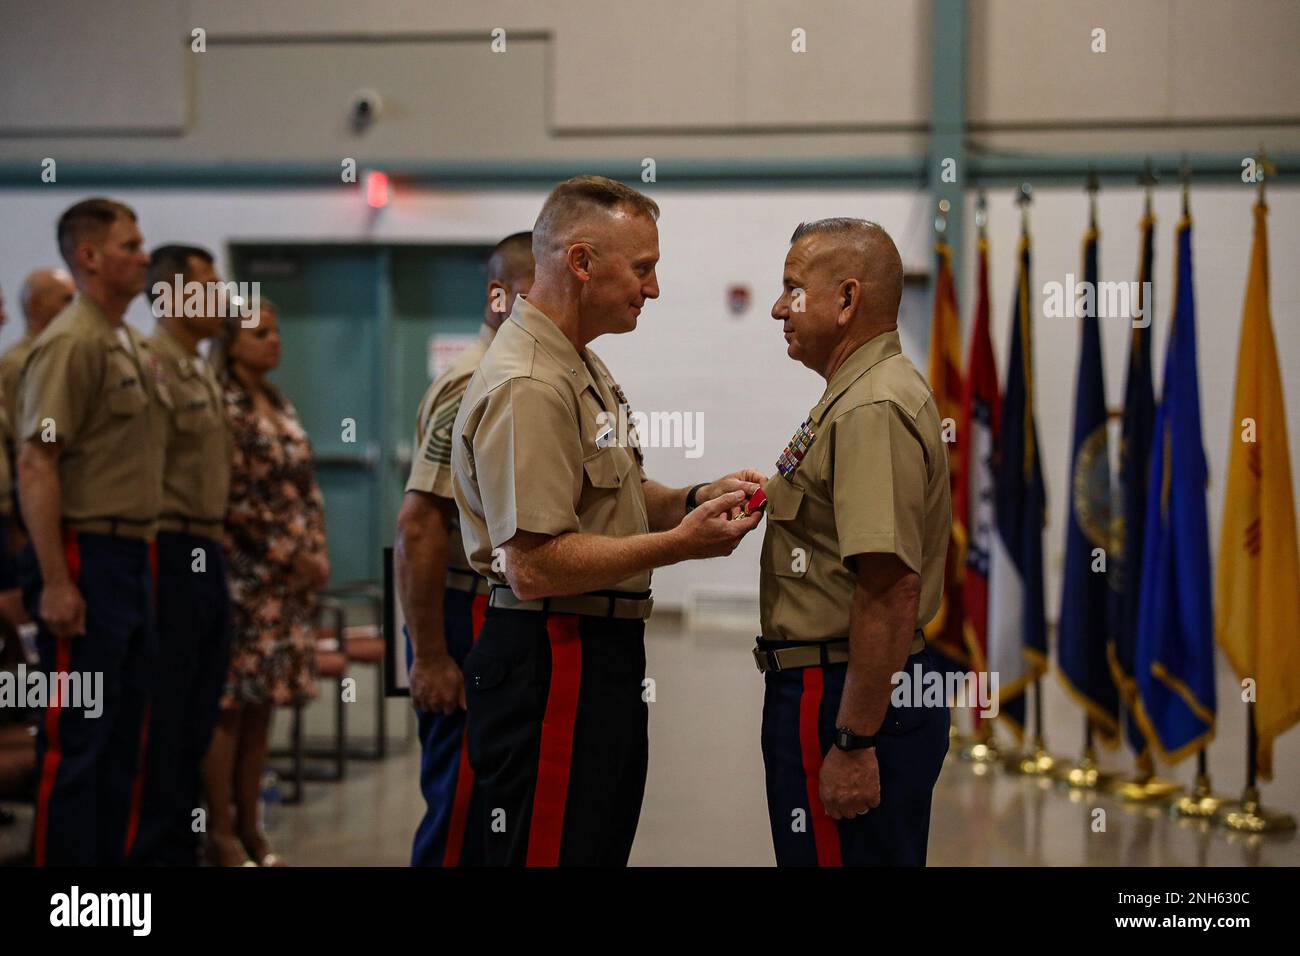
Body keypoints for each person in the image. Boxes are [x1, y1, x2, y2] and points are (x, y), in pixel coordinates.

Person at [452, 175, 763, 866]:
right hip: (553, 652)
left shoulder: (575, 363)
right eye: (644, 269)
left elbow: (610, 495)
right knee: (550, 849)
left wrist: (692, 498)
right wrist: (681, 546)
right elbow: (533, 565)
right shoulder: (530, 382)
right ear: (582, 262)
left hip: (593, 649)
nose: (652, 289)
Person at [756, 218, 951, 866]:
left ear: (845, 299)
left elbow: (889, 585)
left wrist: (853, 739)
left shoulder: (870, 407)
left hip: (845, 693)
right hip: (841, 683)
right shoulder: (856, 396)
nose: (779, 307)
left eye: (792, 289)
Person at [18, 198, 164, 866]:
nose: (143, 256)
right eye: (130, 245)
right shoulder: (72, 342)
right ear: (90, 256)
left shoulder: (123, 339)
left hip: (133, 553)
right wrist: (54, 580)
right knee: (79, 739)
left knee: (125, 737)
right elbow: (37, 461)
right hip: (87, 552)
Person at [395, 231, 534, 867]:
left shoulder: (522, 372)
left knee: (489, 800)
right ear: (498, 294)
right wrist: (428, 656)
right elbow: (420, 525)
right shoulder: (472, 381)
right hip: (461, 613)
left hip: (491, 611)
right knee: (460, 802)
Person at [203, 298, 328, 867]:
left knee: (263, 706)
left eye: (276, 331)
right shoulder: (222, 406)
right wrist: (286, 555)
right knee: (230, 705)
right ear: (230, 342)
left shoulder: (276, 401)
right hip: (244, 576)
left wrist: (314, 553)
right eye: (260, 333)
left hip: (286, 583)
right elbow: (231, 495)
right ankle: (220, 830)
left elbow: (303, 487)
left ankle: (253, 826)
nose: (274, 341)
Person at [129, 245, 234, 866]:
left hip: (206, 546)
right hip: (166, 547)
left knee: (197, 710)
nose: (224, 298)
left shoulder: (198, 369)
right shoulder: (150, 366)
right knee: (163, 715)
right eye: (210, 285)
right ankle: (150, 857)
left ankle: (178, 846)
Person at [0, 268, 75, 421]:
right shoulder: (19, 364)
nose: (74, 309)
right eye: (67, 300)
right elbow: (23, 433)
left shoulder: (64, 357)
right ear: (36, 305)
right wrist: (50, 440)